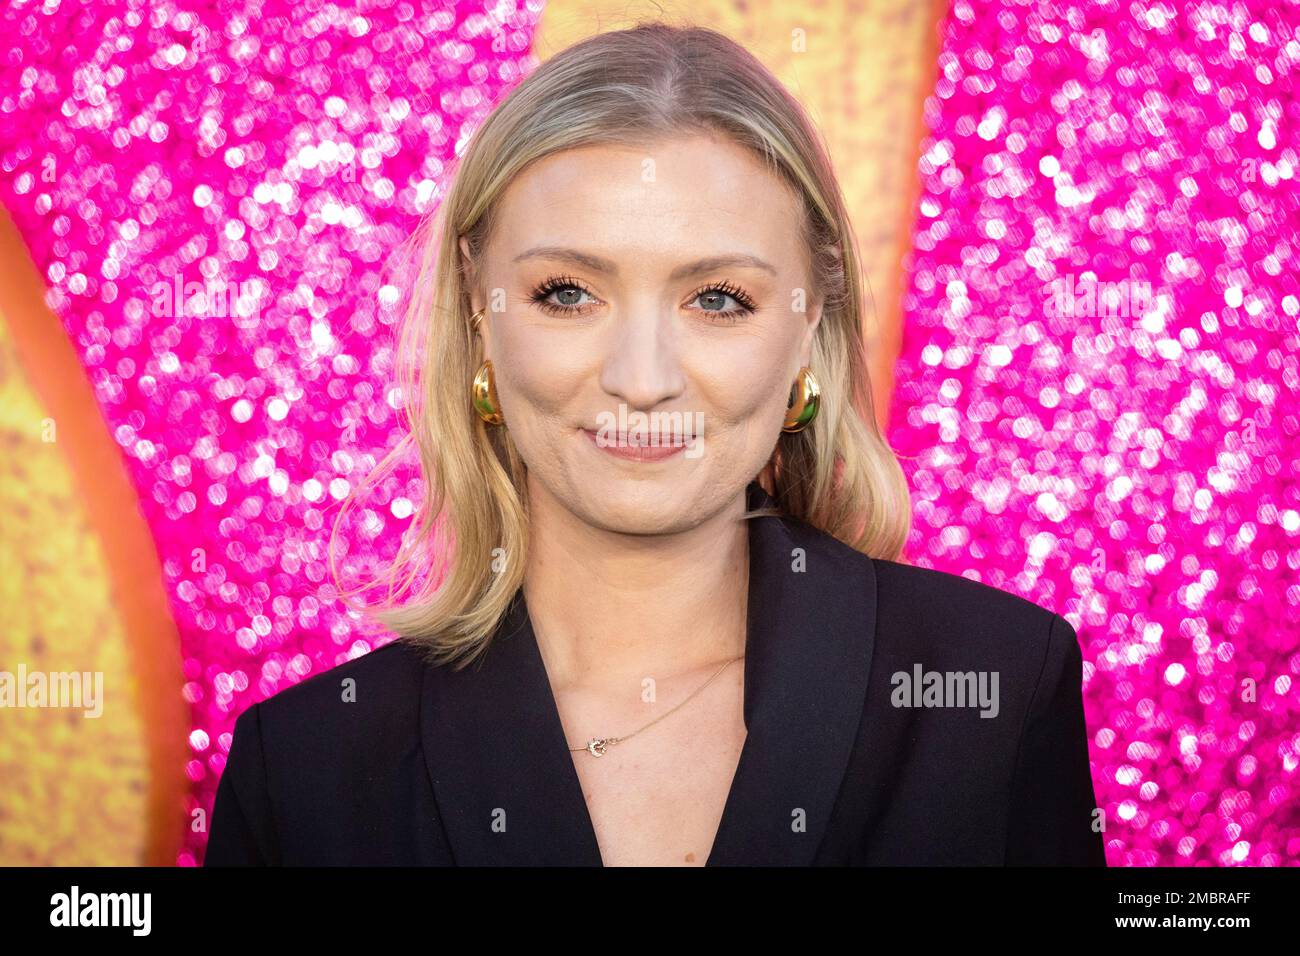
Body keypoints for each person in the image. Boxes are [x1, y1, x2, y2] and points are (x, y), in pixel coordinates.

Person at [205, 21, 1105, 867]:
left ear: (807, 328)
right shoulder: (306, 771)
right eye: (567, 293)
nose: (642, 378)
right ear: (481, 314)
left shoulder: (994, 689)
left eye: (717, 299)